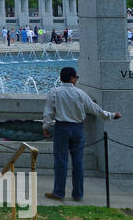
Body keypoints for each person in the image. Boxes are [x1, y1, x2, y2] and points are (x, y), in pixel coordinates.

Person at [41, 66, 121, 202]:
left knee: (61, 161)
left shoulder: (54, 92)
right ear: (72, 78)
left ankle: (59, 192)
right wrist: (112, 115)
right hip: (78, 129)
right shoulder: (80, 93)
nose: (77, 79)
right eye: (76, 77)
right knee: (78, 162)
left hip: (62, 128)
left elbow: (48, 113)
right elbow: (95, 109)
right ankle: (78, 194)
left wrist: (46, 127)